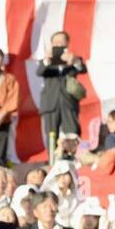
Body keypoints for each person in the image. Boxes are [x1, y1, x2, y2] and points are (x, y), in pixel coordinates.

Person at [37, 32, 87, 162]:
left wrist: (74, 60)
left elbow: (82, 69)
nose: (59, 44)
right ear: (52, 44)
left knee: (72, 131)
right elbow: (39, 71)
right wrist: (47, 59)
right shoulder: (46, 61)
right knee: (51, 133)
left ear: (67, 43)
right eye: (56, 42)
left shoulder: (72, 59)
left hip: (68, 101)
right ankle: (52, 161)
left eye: (62, 41)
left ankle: (72, 158)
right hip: (50, 102)